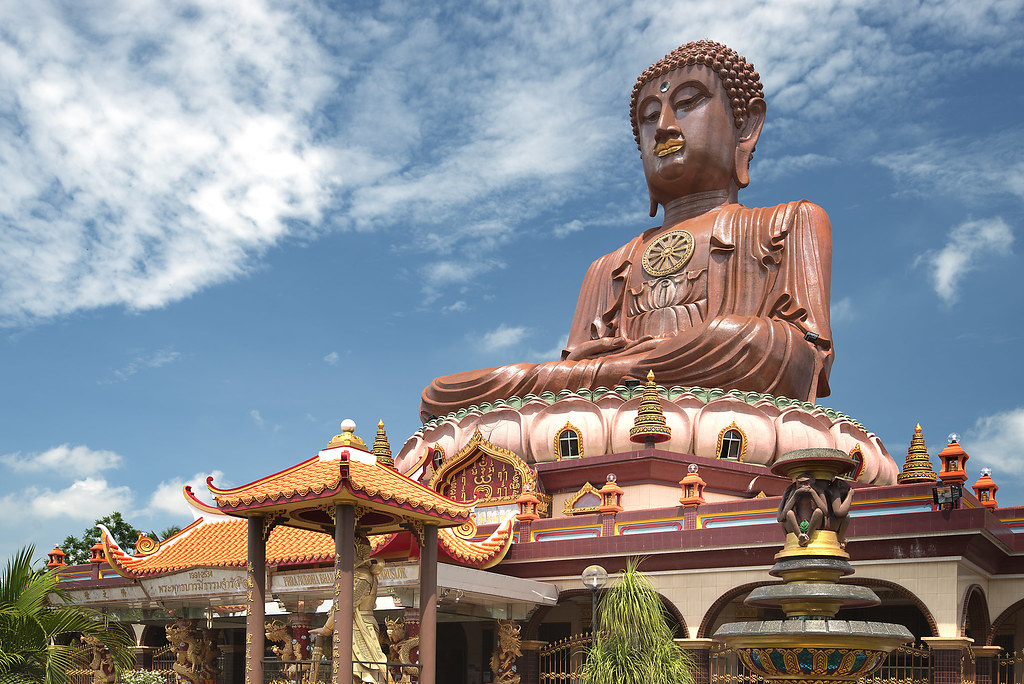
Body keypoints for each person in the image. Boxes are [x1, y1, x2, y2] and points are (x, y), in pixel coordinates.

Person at [420, 40, 833, 422]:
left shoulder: (789, 221)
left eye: (688, 102)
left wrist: (614, 369)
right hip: (609, 406)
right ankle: (627, 379)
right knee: (439, 393)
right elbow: (570, 369)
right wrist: (590, 367)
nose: (666, 127)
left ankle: (629, 378)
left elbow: (803, 358)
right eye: (650, 118)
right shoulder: (607, 267)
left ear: (747, 126)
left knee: (746, 338)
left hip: (719, 397)